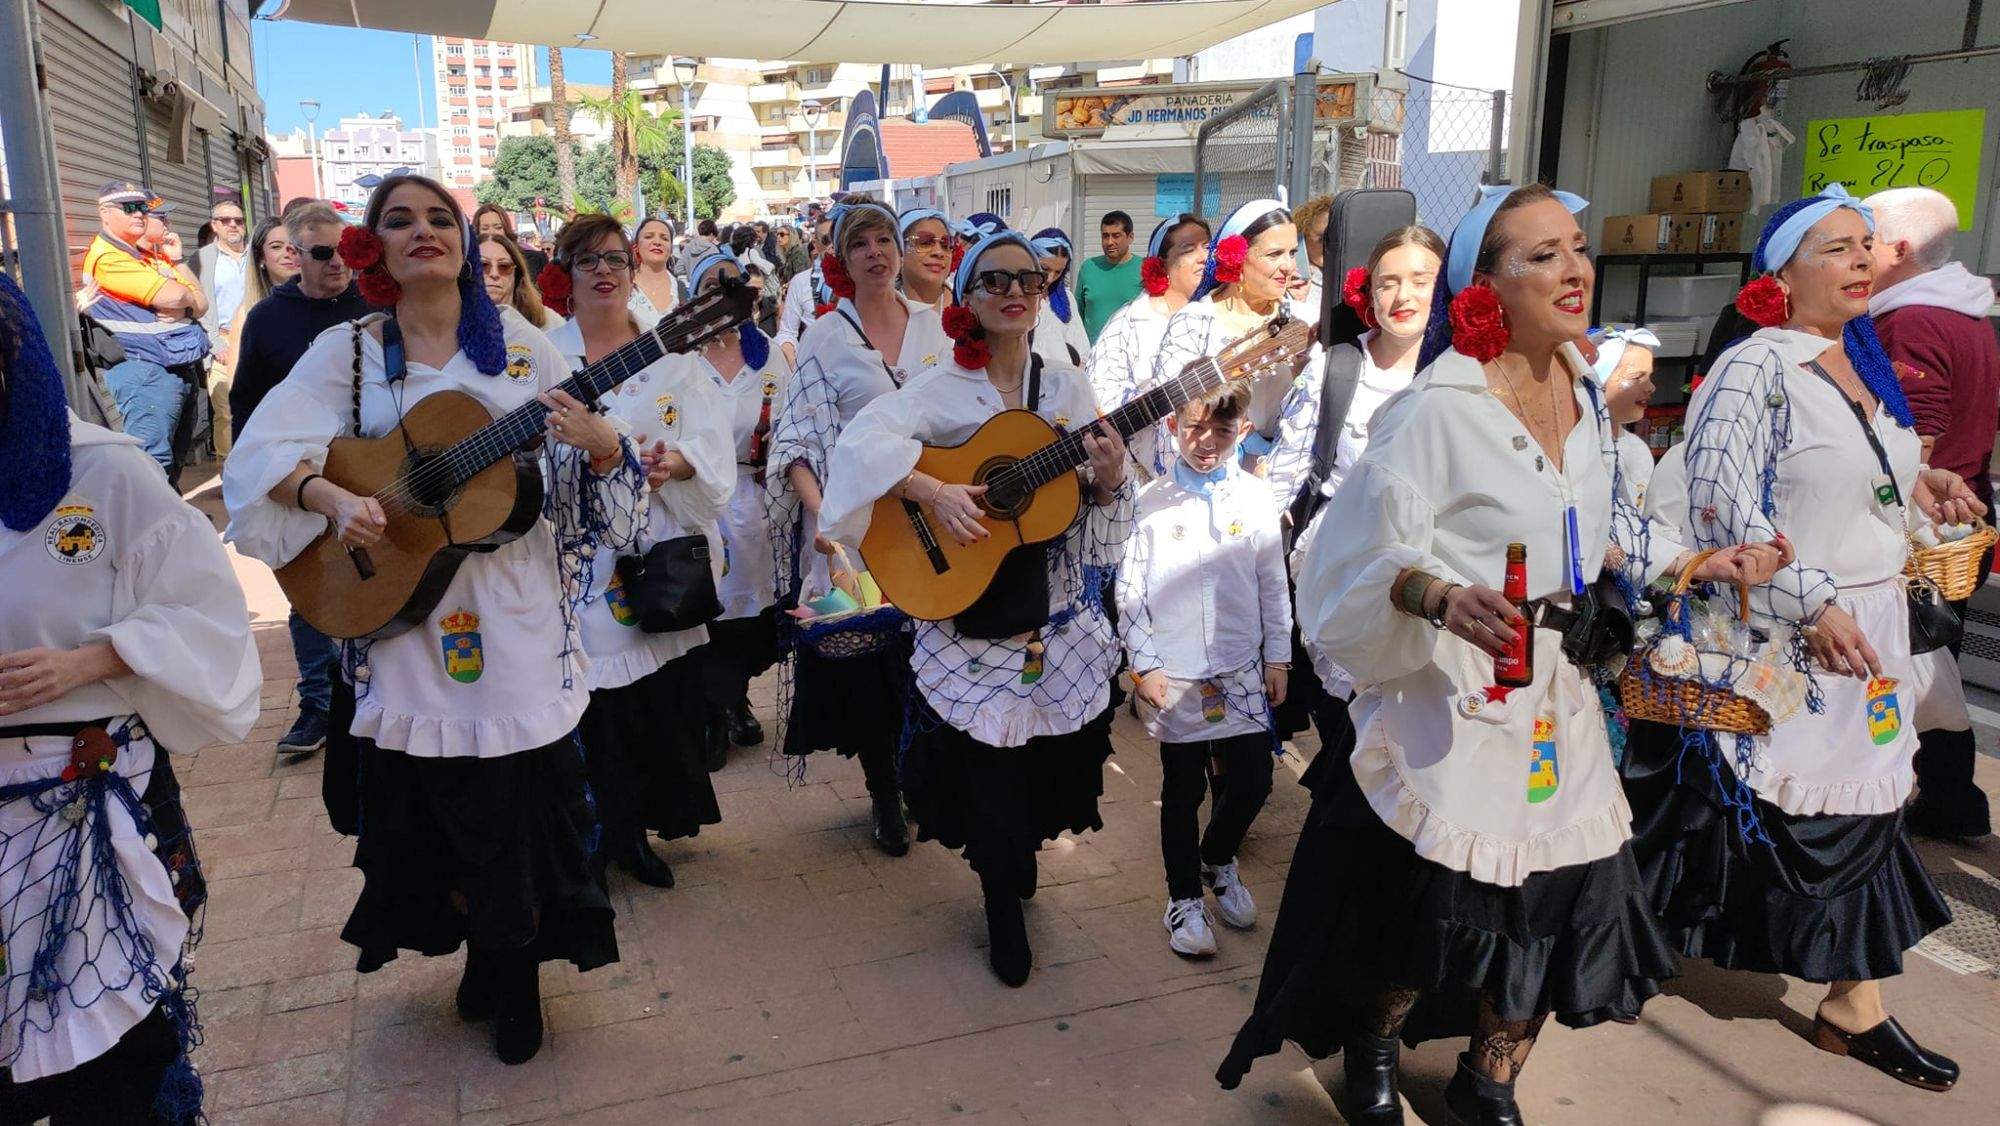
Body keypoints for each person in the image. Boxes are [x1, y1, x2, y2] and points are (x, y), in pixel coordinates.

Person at [1217, 183, 1786, 1122]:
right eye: (1542, 255)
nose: (1574, 269)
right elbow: (1345, 561)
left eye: (1576, 248)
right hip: (1460, 693)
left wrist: (1691, 559)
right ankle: (1375, 1048)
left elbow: (1597, 537)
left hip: (1560, 698)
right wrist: (1436, 594)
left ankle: (1491, 1082)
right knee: (1433, 911)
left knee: (1550, 907)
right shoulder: (1437, 409)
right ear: (1484, 286)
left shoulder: (1589, 394)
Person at [221, 173, 646, 1066]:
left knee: (521, 811)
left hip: (518, 619)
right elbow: (258, 455)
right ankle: (481, 958)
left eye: (441, 217)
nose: (425, 232)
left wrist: (606, 452)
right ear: (373, 245)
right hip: (403, 619)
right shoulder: (345, 354)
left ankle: (517, 972)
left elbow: (594, 504)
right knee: (440, 813)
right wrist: (327, 493)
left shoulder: (530, 355)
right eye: (399, 220)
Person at [1621, 185, 1978, 1094]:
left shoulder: (1856, 362)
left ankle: (1850, 1003)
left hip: (1872, 630)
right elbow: (1720, 506)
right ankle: (1619, 948)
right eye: (1835, 249)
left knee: (1859, 808)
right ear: (1780, 275)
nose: (1861, 261)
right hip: (1791, 631)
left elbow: (1864, 480)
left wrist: (1925, 486)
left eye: (1866, 245)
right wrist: (1811, 603)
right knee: (1743, 808)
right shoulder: (1758, 368)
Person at [820, 230, 1132, 986]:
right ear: (966, 299)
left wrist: (1112, 477)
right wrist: (931, 490)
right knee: (989, 774)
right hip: (972, 622)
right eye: (993, 281)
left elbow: (1088, 511)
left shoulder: (1065, 388)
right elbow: (857, 450)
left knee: (1045, 766)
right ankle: (1000, 904)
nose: (1013, 291)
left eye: (1027, 278)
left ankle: (1017, 856)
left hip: (1051, 615)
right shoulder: (935, 389)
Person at [0, 270, 259, 1123]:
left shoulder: (100, 472)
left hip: (82, 796)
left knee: (112, 1051)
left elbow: (207, 614)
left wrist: (93, 660)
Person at [545, 216, 731, 889]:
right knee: (593, 714)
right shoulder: (541, 355)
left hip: (651, 556)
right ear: (566, 273)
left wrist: (674, 463)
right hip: (573, 562)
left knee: (651, 707)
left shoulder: (672, 357)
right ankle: (598, 836)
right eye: (588, 260)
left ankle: (635, 833)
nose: (605, 272)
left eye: (617, 260)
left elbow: (713, 445)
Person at [766, 199, 949, 857]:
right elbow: (794, 441)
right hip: (853, 535)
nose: (876, 251)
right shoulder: (824, 336)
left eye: (885, 239)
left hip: (936, 527)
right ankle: (883, 789)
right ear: (841, 261)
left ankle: (922, 776)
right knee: (870, 663)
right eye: (861, 243)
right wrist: (825, 523)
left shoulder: (939, 329)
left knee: (928, 655)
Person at [1118, 381, 1288, 958]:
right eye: (1194, 427)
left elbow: (1273, 584)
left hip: (1240, 668)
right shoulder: (1150, 502)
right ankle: (1183, 898)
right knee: (1183, 787)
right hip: (1178, 669)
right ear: (1172, 427)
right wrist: (1145, 665)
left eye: (1222, 429)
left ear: (1242, 428)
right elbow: (1131, 592)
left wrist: (1278, 655)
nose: (1207, 441)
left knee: (1254, 781)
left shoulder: (1256, 499)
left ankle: (1217, 859)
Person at [1267, 225, 1445, 751]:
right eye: (1387, 282)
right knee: (1348, 727)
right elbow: (1288, 469)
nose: (1403, 296)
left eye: (1420, 279)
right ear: (1367, 294)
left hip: (1435, 575)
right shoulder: (1338, 366)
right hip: (1343, 570)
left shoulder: (1465, 373)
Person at [1866, 185, 1997, 842]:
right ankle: (1951, 799)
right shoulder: (1966, 309)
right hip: (1962, 510)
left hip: (1925, 521)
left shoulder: (1912, 320)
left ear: (1901, 249)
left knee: (1909, 667)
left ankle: (1915, 800)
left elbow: (1915, 437)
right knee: (1934, 667)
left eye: (1862, 240)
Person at [227, 201, 368, 757]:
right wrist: (252, 473)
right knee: (306, 586)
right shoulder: (268, 319)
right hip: (299, 476)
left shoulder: (377, 307)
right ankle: (318, 704)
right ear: (294, 255)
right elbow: (247, 405)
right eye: (321, 252)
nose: (336, 262)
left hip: (368, 466)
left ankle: (368, 698)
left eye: (345, 249)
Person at [686, 252, 790, 765]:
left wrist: (776, 441)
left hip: (755, 498)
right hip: (699, 503)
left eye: (730, 282)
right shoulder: (678, 358)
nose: (722, 291)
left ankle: (735, 698)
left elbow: (791, 424)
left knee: (751, 616)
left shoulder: (766, 353)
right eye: (710, 283)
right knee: (707, 612)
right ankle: (711, 711)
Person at [1152, 200, 1320, 499]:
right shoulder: (1195, 322)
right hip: (1204, 483)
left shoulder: (1304, 321)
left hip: (1284, 482)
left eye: (1292, 253)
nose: (1289, 267)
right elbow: (1169, 417)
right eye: (1274, 254)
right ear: (1237, 256)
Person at [82, 182, 209, 486]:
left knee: (172, 457)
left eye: (142, 208)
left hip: (170, 367)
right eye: (129, 208)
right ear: (105, 213)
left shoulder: (148, 256)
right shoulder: (109, 257)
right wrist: (184, 301)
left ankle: (171, 523)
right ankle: (152, 528)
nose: (139, 214)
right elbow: (177, 297)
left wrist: (183, 293)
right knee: (152, 461)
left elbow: (200, 303)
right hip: (142, 370)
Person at [1087, 213, 1212, 479]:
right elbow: (1101, 403)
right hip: (1142, 475)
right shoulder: (1129, 323)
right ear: (1162, 262)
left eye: (1208, 247)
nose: (1204, 257)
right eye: (1189, 250)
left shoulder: (1212, 315)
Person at [191, 198, 250, 452]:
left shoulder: (260, 254)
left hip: (258, 337)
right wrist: (215, 344)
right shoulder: (201, 260)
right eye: (226, 221)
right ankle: (229, 475)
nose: (233, 225)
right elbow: (195, 306)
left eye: (239, 220)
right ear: (214, 225)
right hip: (224, 343)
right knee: (226, 413)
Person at [774, 214, 836, 369]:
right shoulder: (801, 281)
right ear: (815, 244)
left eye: (839, 237)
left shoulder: (864, 281)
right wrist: (790, 356)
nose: (834, 245)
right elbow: (787, 331)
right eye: (827, 240)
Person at [1028, 228, 1093, 369]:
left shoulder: (1067, 299)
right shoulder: (1016, 298)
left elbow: (1082, 352)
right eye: (1045, 268)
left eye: (1058, 272)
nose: (1050, 278)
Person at [1075, 209, 1141, 342]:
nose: (1109, 242)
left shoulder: (1144, 269)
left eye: (1116, 236)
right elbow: (1077, 314)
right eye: (1105, 236)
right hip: (1092, 355)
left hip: (1131, 354)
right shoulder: (1088, 267)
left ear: (1130, 237)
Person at [479, 232, 559, 329]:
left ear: (517, 274)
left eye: (504, 266)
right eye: (483, 265)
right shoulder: (457, 323)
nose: (494, 273)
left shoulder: (550, 322)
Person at [897, 207, 953, 313]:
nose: (939, 252)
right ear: (899, 251)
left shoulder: (969, 306)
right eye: (925, 243)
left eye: (945, 244)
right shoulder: (878, 310)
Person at [631, 217, 683, 325]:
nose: (657, 242)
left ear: (671, 249)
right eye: (648, 236)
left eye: (664, 238)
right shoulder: (622, 285)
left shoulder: (681, 290)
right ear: (636, 247)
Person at [473, 202, 548, 276]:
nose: (492, 232)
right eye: (485, 228)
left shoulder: (535, 259)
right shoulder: (470, 265)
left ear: (506, 230)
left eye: (498, 227)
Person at [1291, 194, 1334, 310]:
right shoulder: (1293, 280)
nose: (1331, 245)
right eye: (1323, 238)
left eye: (1338, 238)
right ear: (1302, 239)